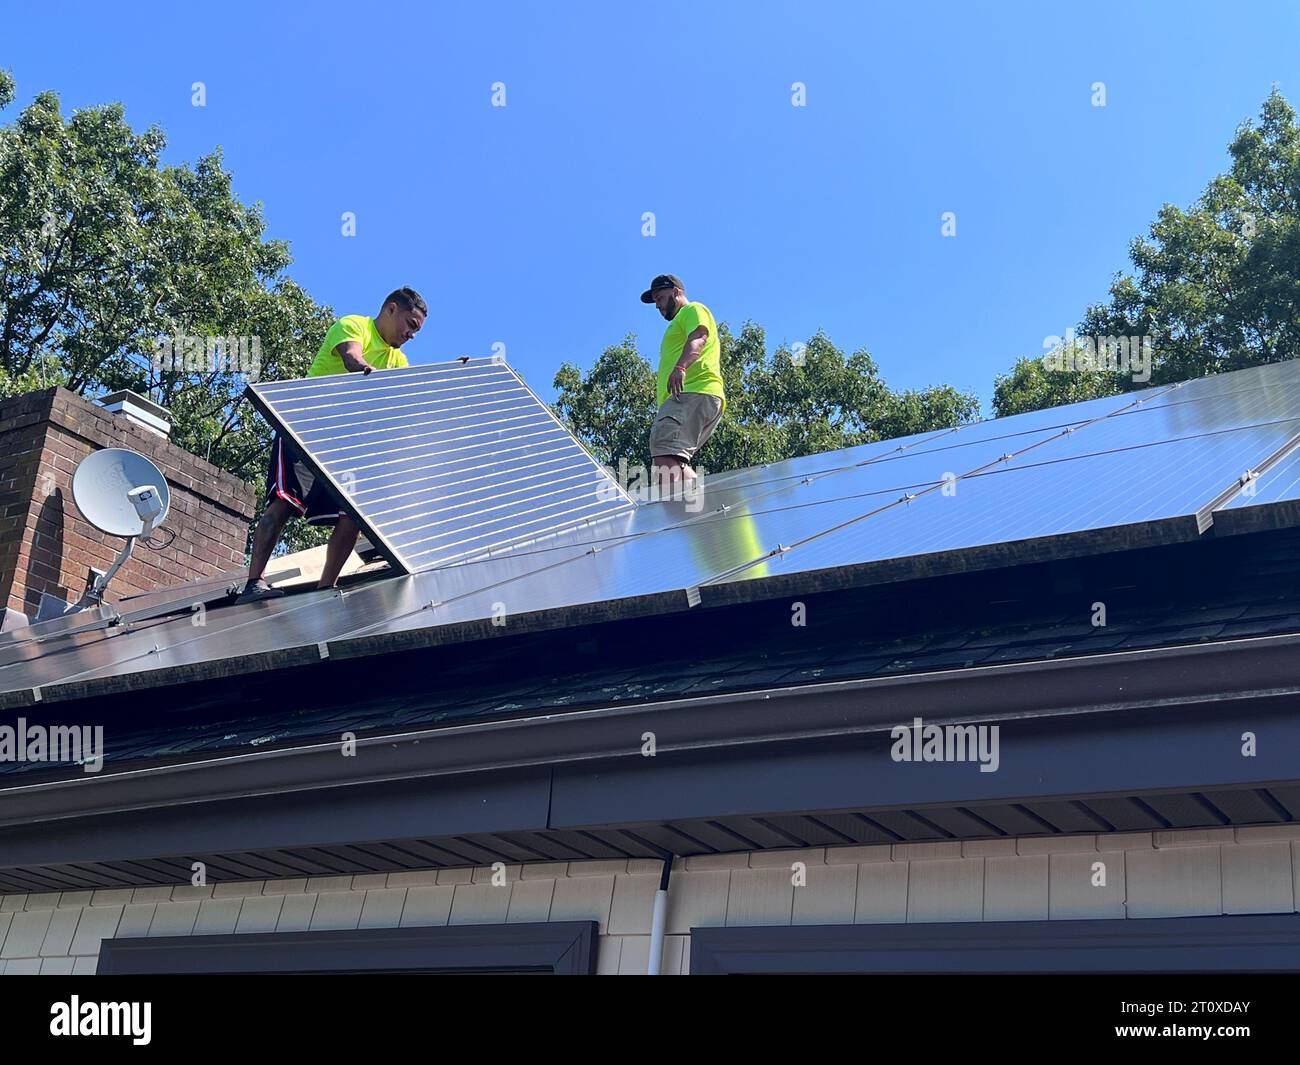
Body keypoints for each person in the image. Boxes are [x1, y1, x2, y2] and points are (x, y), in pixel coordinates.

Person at [235, 287, 426, 604]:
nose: (412, 334)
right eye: (411, 324)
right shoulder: (355, 325)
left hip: (343, 443)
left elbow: (403, 402)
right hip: (304, 426)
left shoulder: (399, 360)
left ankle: (326, 588)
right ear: (391, 309)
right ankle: (254, 582)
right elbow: (352, 357)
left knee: (353, 515)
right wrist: (367, 370)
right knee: (284, 502)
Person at [641, 274, 725, 495]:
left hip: (691, 392)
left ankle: (680, 515)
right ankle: (703, 508)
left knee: (664, 451)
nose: (658, 305)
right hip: (695, 396)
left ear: (676, 292)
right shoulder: (682, 318)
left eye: (660, 298)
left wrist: (680, 368)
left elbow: (699, 336)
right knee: (675, 459)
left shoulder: (692, 310)